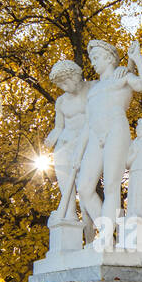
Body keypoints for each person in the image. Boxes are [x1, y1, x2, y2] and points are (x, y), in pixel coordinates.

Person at [75, 40, 142, 247]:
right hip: (94, 135)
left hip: (115, 130)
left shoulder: (123, 76)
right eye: (91, 59)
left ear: (109, 58)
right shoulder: (93, 89)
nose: (92, 63)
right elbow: (87, 124)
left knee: (111, 185)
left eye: (96, 58)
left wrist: (137, 58)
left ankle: (106, 237)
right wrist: (78, 153)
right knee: (84, 187)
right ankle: (106, 231)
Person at [43, 60, 89, 232]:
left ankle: (91, 228)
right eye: (59, 84)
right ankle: (69, 214)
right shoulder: (61, 101)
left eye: (65, 82)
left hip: (84, 145)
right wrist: (51, 139)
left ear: (75, 75)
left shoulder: (92, 90)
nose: (63, 87)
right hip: (64, 145)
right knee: (65, 184)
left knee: (85, 188)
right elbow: (59, 126)